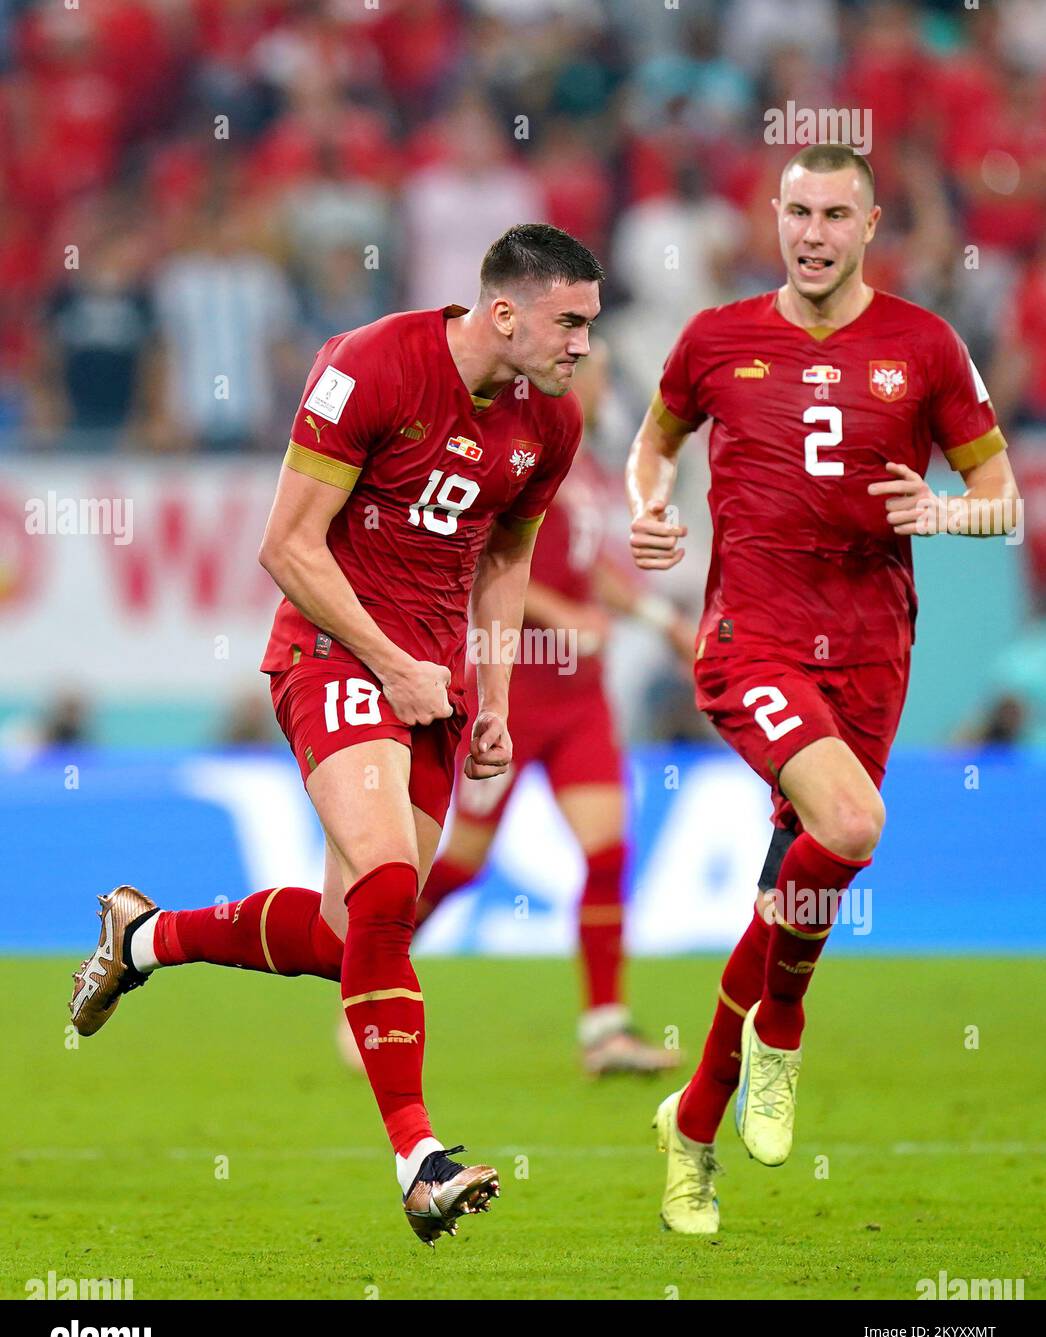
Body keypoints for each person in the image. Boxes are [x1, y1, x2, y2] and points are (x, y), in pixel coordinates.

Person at [69, 223, 604, 1245]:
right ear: (504, 312)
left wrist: (491, 694)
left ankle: (141, 937)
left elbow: (505, 557)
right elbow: (286, 545)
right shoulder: (370, 366)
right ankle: (419, 1157)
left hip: (434, 684)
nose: (581, 341)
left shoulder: (552, 424)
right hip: (332, 651)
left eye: (587, 320)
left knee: (341, 932)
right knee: (390, 883)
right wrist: (392, 662)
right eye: (567, 320)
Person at [626, 144, 1020, 1234]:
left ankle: (691, 1125)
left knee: (793, 884)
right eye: (795, 210)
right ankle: (783, 1026)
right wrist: (649, 506)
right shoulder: (714, 340)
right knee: (850, 822)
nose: (809, 231)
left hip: (871, 648)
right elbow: (650, 447)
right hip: (748, 638)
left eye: (832, 214)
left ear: (868, 224)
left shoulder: (922, 345)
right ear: (773, 217)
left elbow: (1003, 501)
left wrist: (942, 512)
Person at [336, 340, 692, 1077]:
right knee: (458, 866)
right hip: (514, 696)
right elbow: (490, 565)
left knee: (608, 853)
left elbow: (594, 571)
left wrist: (662, 622)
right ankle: (364, 983)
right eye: (587, 366)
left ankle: (605, 1029)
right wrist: (563, 616)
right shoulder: (522, 457)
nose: (593, 376)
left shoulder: (584, 469)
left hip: (580, 702)